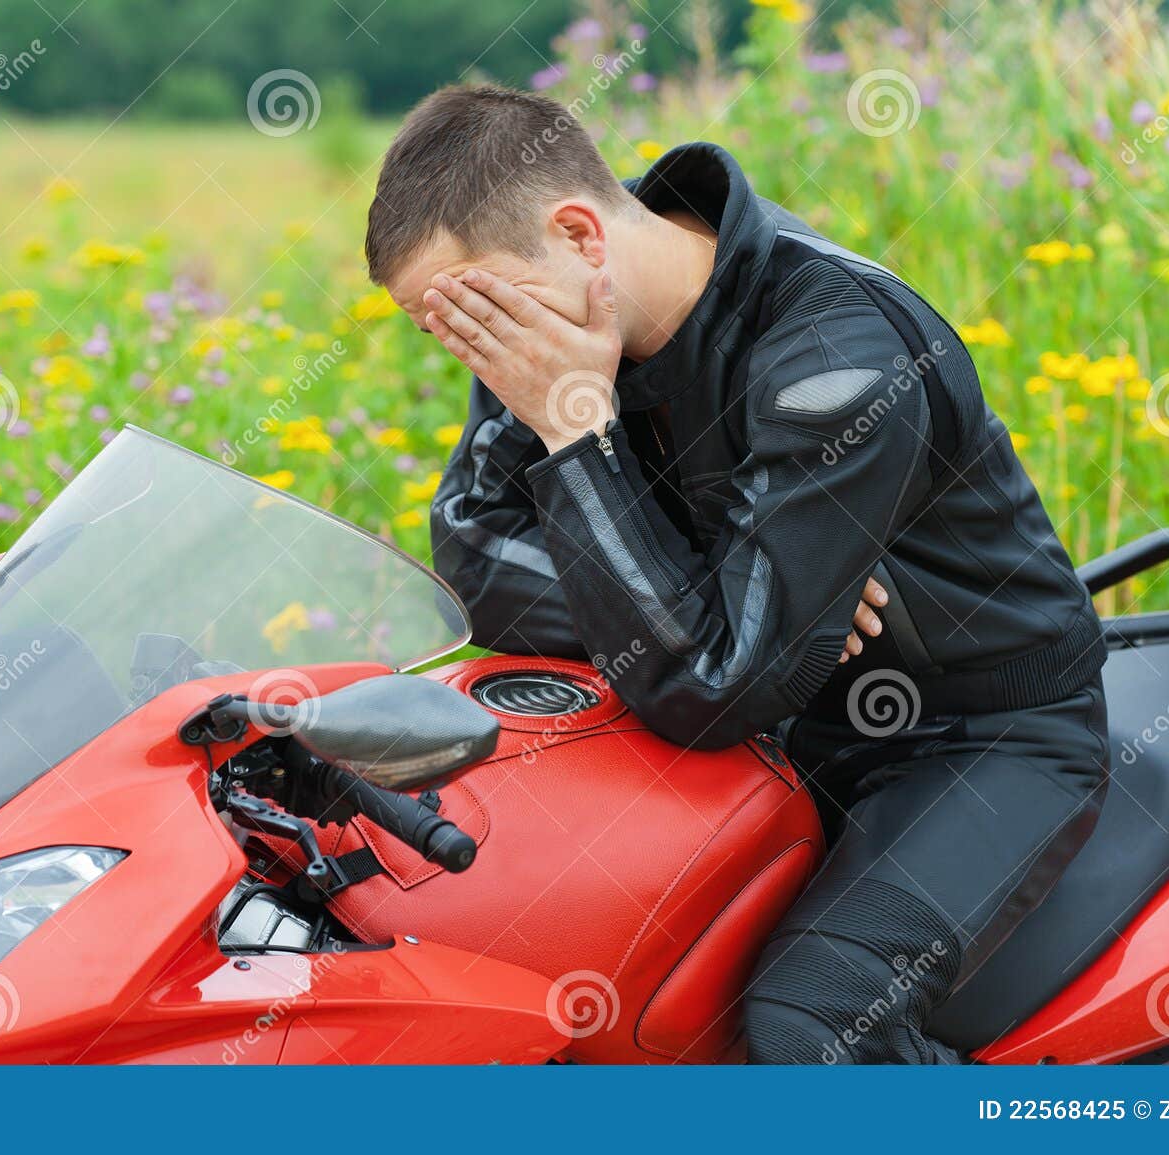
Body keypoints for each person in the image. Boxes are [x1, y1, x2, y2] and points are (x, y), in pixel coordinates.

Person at [362, 84, 1110, 1063]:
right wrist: (717, 591)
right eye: (444, 327)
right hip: (785, 726)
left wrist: (578, 438)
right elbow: (471, 554)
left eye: (477, 310)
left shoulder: (836, 350)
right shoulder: (551, 315)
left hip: (974, 736)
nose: (474, 345)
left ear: (581, 233)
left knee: (809, 1024)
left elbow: (710, 690)